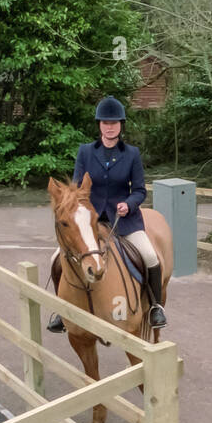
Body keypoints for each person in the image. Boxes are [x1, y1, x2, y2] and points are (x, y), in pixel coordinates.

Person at [47, 95, 167, 332]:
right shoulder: (85, 152)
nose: (109, 127)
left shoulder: (131, 154)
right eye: (105, 122)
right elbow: (76, 187)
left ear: (121, 125)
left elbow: (140, 190)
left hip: (124, 220)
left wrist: (129, 204)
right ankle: (64, 311)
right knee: (56, 260)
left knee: (150, 256)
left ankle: (155, 307)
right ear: (99, 125)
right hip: (90, 221)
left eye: (114, 123)